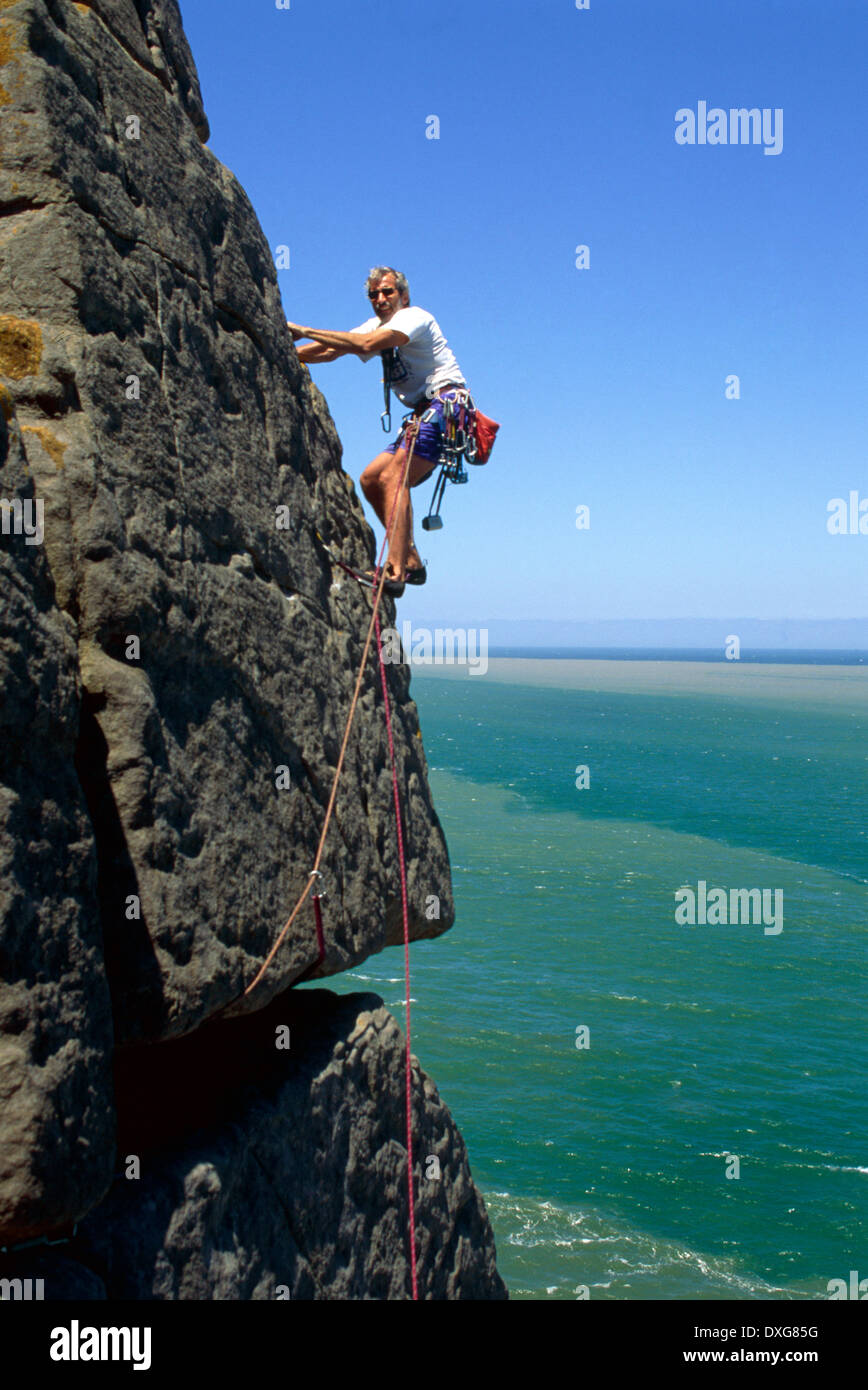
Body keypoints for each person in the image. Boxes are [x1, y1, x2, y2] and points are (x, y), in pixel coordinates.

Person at [287, 266, 468, 595]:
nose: (380, 299)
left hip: (445, 408)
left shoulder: (415, 318)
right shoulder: (377, 325)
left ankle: (396, 572)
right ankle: (411, 558)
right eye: (374, 294)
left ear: (404, 296)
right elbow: (333, 349)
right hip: (422, 413)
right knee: (372, 479)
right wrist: (288, 352)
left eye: (387, 292)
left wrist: (302, 329)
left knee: (393, 477)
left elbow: (365, 343)